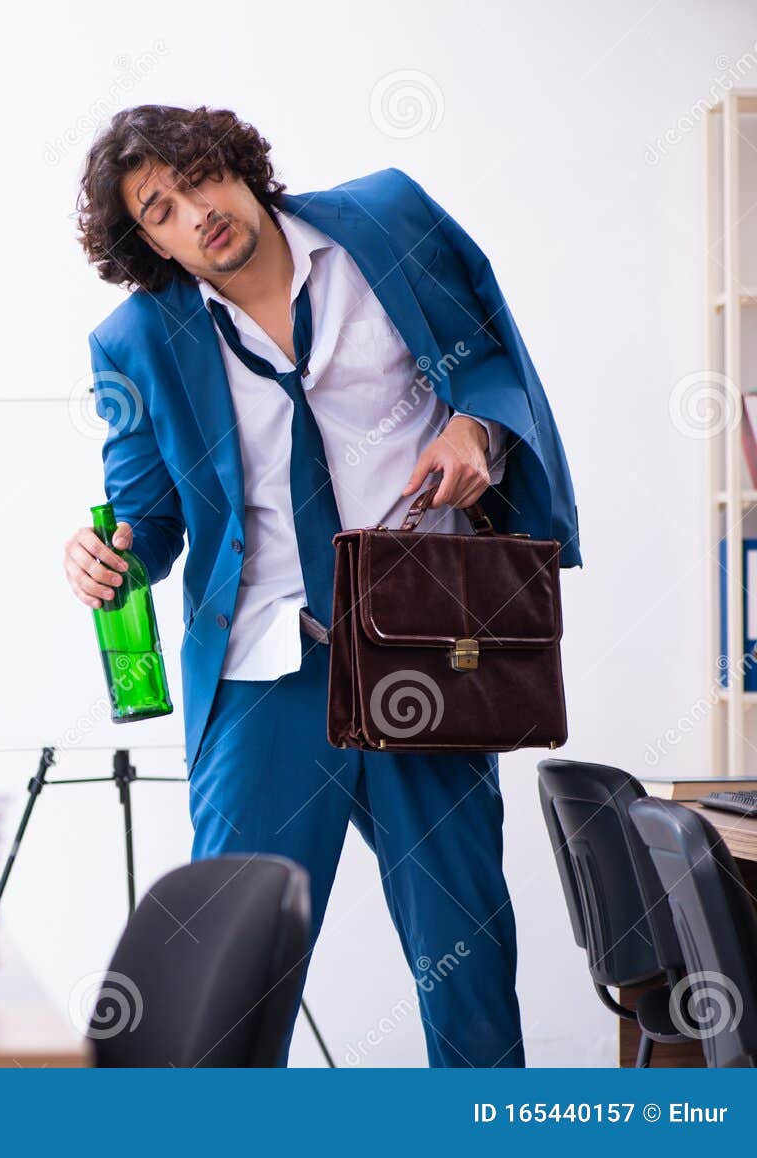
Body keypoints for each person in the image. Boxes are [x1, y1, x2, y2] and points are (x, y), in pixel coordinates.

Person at [62, 105, 579, 1067]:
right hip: (267, 666)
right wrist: (109, 557)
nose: (196, 213)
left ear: (237, 163)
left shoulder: (387, 220)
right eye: (159, 211)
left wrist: (478, 429)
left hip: (422, 647)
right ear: (151, 246)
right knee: (226, 979)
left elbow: (494, 363)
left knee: (464, 959)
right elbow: (151, 520)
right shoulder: (133, 342)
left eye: (197, 177)